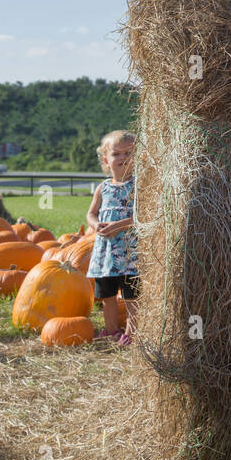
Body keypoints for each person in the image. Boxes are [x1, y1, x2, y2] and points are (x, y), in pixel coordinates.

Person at [86, 130, 138, 346]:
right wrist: (96, 224)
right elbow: (91, 213)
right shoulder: (103, 187)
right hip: (105, 254)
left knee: (131, 297)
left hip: (129, 253)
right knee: (106, 295)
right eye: (117, 154)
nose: (123, 158)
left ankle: (131, 333)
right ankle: (110, 330)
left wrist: (119, 225)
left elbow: (142, 216)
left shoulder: (138, 186)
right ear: (106, 160)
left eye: (129, 153)